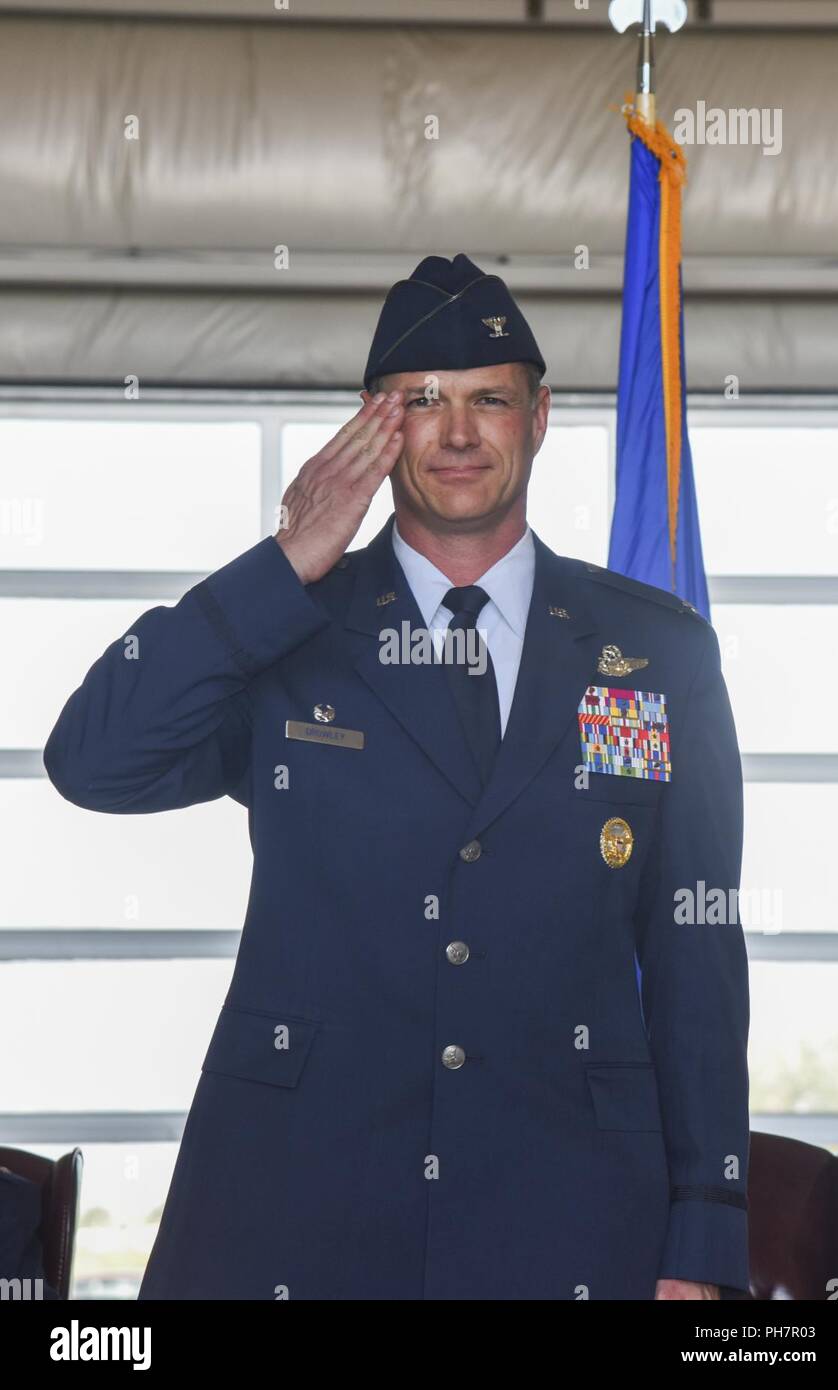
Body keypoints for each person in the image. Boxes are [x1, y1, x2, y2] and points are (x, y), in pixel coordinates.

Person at [43, 253, 750, 1301]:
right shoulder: (290, 626)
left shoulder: (656, 653)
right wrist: (284, 559)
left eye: (487, 401)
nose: (457, 433)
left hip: (569, 1208)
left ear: (539, 418)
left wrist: (701, 1239)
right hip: (297, 1203)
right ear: (376, 427)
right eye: (421, 403)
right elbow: (94, 759)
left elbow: (694, 956)